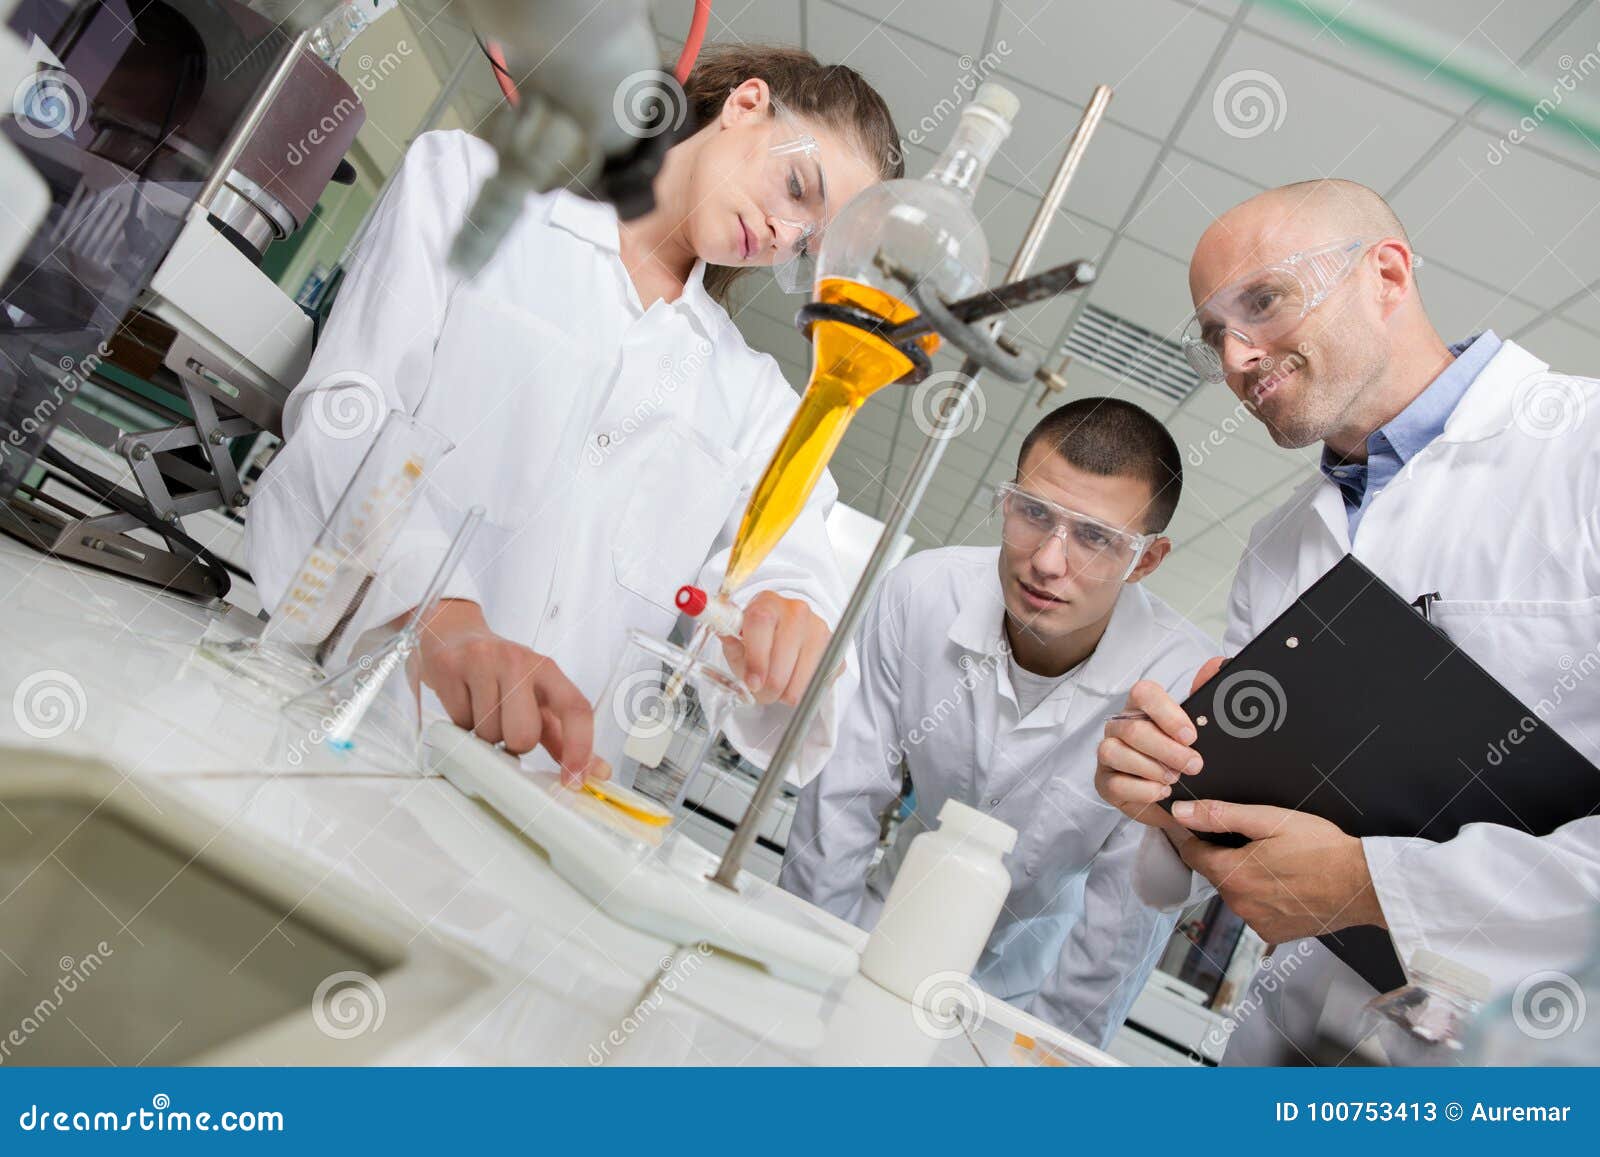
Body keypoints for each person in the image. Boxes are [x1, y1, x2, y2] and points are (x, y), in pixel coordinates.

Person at [245, 46, 903, 784]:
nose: (785, 233)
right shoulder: (464, 189)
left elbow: (786, 570)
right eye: (797, 187)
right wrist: (438, 611)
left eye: (810, 243)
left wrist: (787, 624)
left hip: (548, 807)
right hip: (348, 737)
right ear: (746, 105)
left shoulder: (758, 401)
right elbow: (348, 414)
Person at [1094, 178, 1600, 1064]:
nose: (1237, 357)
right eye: (1215, 335)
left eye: (1263, 302)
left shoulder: (1581, 451)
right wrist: (1168, 789)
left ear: (1388, 275)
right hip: (1290, 1042)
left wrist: (1374, 883)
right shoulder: (1278, 544)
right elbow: (1248, 825)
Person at [781, 398, 1215, 1047]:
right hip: (881, 924)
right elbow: (841, 798)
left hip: (1025, 993)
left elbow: (1122, 920)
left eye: (1096, 538)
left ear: (1146, 560)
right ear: (1007, 500)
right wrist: (801, 960)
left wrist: (1047, 1059)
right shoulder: (922, 594)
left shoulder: (1179, 685)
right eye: (1033, 512)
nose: (1047, 562)